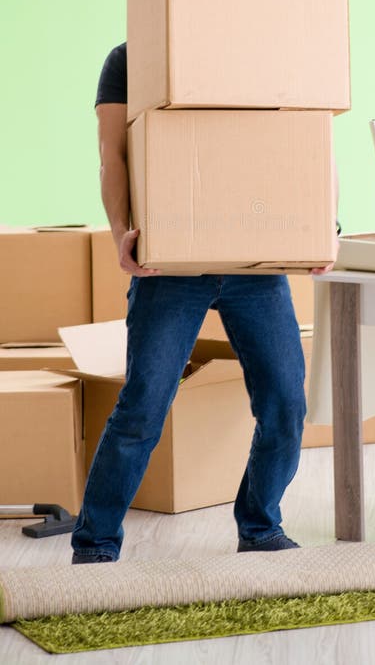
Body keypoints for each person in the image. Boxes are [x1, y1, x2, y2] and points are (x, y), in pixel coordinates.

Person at [71, 42, 336, 563]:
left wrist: (321, 228)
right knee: (143, 408)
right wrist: (122, 232)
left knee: (286, 403)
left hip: (253, 265)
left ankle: (260, 528)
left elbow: (309, 144)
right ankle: (95, 546)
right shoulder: (131, 58)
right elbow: (113, 153)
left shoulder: (267, 55)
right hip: (171, 267)